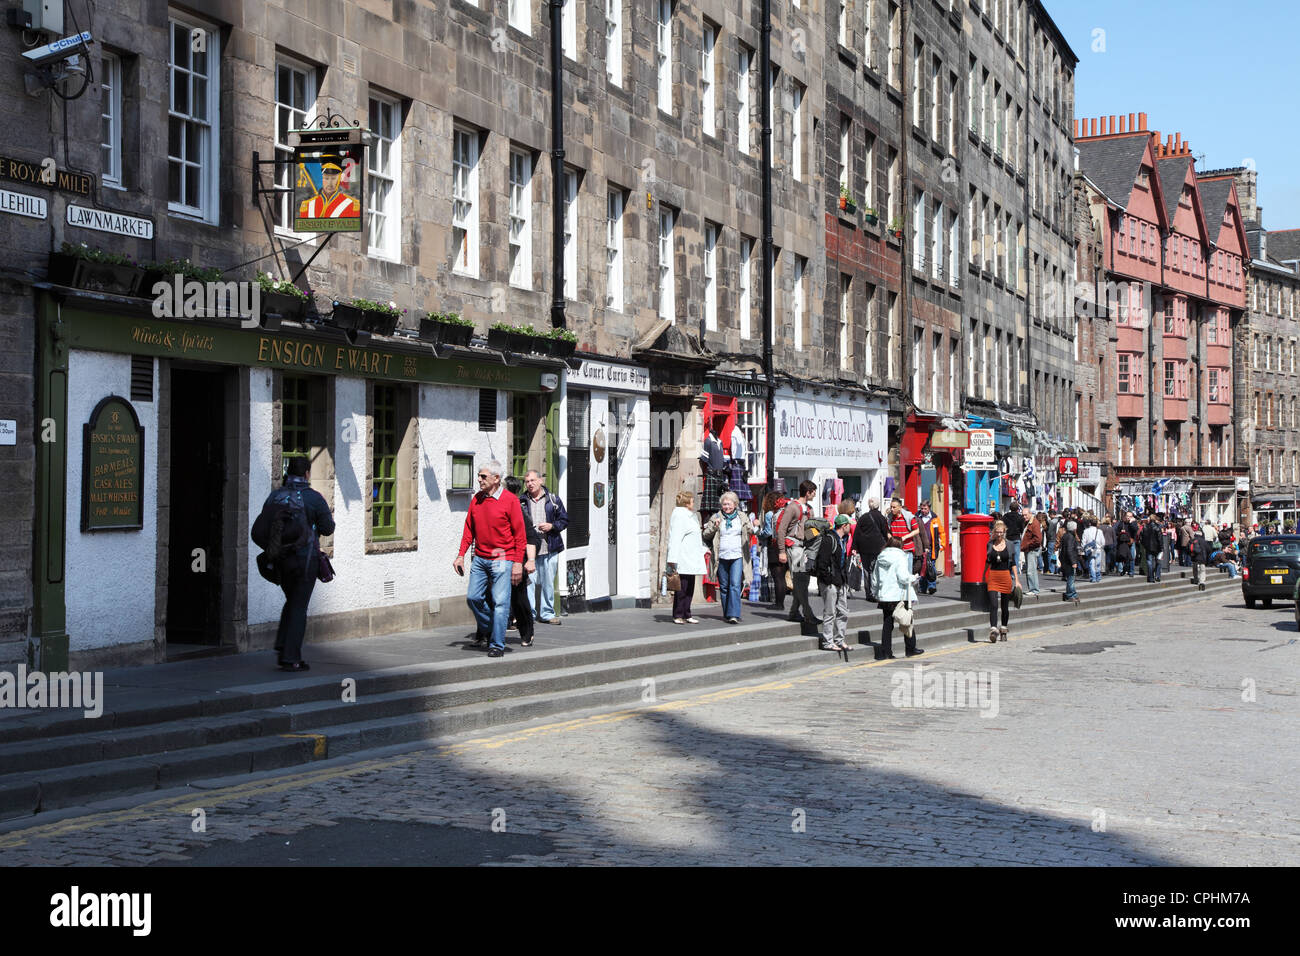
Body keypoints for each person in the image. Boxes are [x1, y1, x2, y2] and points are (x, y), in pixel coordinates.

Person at [258, 457, 335, 672]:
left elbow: (264, 526)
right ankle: (291, 658)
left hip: (280, 560)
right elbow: (328, 528)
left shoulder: (276, 496)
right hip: (305, 559)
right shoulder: (313, 498)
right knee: (299, 605)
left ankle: (283, 645)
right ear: (307, 474)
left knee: (292, 600)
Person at [455, 460, 526, 658]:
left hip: (503, 558)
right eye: (479, 475)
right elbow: (469, 529)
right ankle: (492, 626)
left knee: (501, 602)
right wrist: (461, 555)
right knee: (473, 598)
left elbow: (520, 534)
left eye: (483, 476)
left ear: (496, 479)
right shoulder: (477, 499)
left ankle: (497, 644)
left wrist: (518, 562)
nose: (479, 479)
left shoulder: (510, 500)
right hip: (480, 558)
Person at [522, 469, 568, 626]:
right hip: (528, 550)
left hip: (549, 547)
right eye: (527, 481)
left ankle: (547, 613)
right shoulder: (521, 501)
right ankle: (529, 614)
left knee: (548, 582)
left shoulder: (553, 499)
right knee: (529, 582)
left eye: (533, 480)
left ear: (541, 481)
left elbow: (564, 520)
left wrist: (552, 526)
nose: (530, 484)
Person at [702, 491, 755, 624]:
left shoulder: (742, 516)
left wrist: (751, 528)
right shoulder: (716, 517)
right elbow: (705, 535)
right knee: (724, 586)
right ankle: (727, 613)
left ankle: (734, 614)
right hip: (721, 556)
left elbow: (750, 530)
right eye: (724, 504)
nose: (726, 507)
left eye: (729, 504)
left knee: (735, 585)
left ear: (735, 504)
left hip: (737, 555)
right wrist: (714, 527)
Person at [776, 480, 820, 632]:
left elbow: (809, 530)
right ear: (808, 492)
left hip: (803, 547)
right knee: (801, 581)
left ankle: (794, 612)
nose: (815, 494)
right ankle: (808, 613)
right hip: (793, 546)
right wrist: (781, 550)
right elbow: (782, 529)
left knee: (803, 581)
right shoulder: (793, 507)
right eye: (813, 491)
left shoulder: (809, 509)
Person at [871, 536, 923, 659]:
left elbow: (874, 578)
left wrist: (876, 592)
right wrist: (914, 578)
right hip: (899, 594)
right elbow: (903, 577)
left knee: (887, 624)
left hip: (885, 595)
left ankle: (886, 652)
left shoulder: (881, 557)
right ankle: (910, 648)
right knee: (907, 620)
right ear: (900, 546)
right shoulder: (900, 556)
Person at [503, 476, 540, 647]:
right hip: (497, 559)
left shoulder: (517, 508)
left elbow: (530, 536)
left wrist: (530, 560)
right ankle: (484, 633)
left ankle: (527, 631)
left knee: (518, 598)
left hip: (517, 558)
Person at [665, 489, 706, 624]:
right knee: (681, 588)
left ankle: (687, 613)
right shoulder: (680, 516)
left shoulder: (690, 516)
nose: (694, 503)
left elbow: (694, 537)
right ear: (686, 502)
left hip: (692, 557)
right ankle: (678, 614)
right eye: (692, 501)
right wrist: (672, 560)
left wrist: (703, 549)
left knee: (689, 587)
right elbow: (675, 538)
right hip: (683, 558)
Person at [814, 514, 853, 651]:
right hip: (830, 583)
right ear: (844, 526)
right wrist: (829, 580)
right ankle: (827, 641)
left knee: (843, 612)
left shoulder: (844, 539)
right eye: (849, 525)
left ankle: (839, 639)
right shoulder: (829, 540)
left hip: (841, 581)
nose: (851, 527)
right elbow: (822, 563)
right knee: (830, 612)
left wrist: (843, 581)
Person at [984, 520, 1021, 641]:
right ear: (994, 532)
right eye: (997, 532)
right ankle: (994, 630)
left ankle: (1004, 629)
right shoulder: (990, 544)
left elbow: (1013, 563)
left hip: (1005, 576)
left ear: (1004, 532)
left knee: (1004, 606)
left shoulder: (1009, 545)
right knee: (993, 604)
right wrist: (984, 574)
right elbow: (988, 561)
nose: (999, 534)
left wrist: (1017, 580)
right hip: (993, 576)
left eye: (1001, 532)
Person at [852, 497, 891, 599]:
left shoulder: (863, 517)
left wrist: (854, 547)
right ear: (878, 505)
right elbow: (885, 532)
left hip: (864, 548)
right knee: (875, 569)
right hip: (877, 548)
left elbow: (857, 533)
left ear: (869, 505)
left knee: (866, 570)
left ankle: (868, 592)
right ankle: (875, 592)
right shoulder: (881, 518)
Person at [759, 492, 789, 611]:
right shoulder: (785, 512)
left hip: (774, 546)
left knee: (778, 577)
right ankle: (780, 602)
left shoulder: (770, 514)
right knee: (782, 576)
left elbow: (768, 532)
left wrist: (758, 532)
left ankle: (779, 604)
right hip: (785, 545)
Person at [1020, 512, 1043, 595]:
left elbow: (1038, 539)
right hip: (1028, 549)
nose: (1024, 516)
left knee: (1031, 570)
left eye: (1025, 515)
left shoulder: (1034, 523)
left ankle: (1034, 589)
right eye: (1023, 515)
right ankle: (1032, 589)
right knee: (1030, 570)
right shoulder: (1028, 522)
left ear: (1030, 514)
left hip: (1031, 550)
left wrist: (1027, 544)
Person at [1059, 520, 1081, 601]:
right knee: (1071, 578)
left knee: (1070, 578)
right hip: (1069, 561)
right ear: (1074, 529)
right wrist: (1073, 562)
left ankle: (1073, 593)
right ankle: (1070, 594)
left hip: (1065, 560)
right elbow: (1069, 550)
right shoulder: (1071, 537)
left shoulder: (1065, 535)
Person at [1002, 501, 1026, 578]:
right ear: (1017, 509)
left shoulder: (1005, 516)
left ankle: (1007, 572)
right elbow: (1022, 529)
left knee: (1008, 556)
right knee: (1016, 557)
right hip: (1016, 538)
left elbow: (1003, 527)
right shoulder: (1020, 517)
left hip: (1008, 538)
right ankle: (1013, 574)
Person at [1141, 515, 1164, 584]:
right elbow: (1160, 538)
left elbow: (1143, 538)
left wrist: (1145, 545)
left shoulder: (1145, 527)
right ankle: (1157, 575)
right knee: (1158, 561)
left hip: (1148, 547)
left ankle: (1151, 577)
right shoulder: (1157, 527)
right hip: (1157, 547)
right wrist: (1161, 547)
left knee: (1149, 562)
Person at [1081, 517, 1104, 584]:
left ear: (1089, 523)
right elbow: (1103, 542)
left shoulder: (1086, 531)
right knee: (1098, 564)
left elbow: (1083, 542)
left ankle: (1093, 577)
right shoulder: (1099, 531)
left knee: (1091, 563)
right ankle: (1098, 576)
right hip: (1098, 549)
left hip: (1089, 549)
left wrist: (1084, 548)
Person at [1116, 511, 1138, 577]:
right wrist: (1121, 532)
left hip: (1131, 541)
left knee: (1132, 557)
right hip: (1123, 542)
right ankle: (1122, 570)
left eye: (1130, 516)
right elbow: (1116, 531)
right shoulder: (1121, 523)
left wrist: (1131, 523)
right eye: (1127, 516)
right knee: (1122, 556)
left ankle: (1131, 571)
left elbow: (1135, 530)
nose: (1128, 517)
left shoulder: (1133, 523)